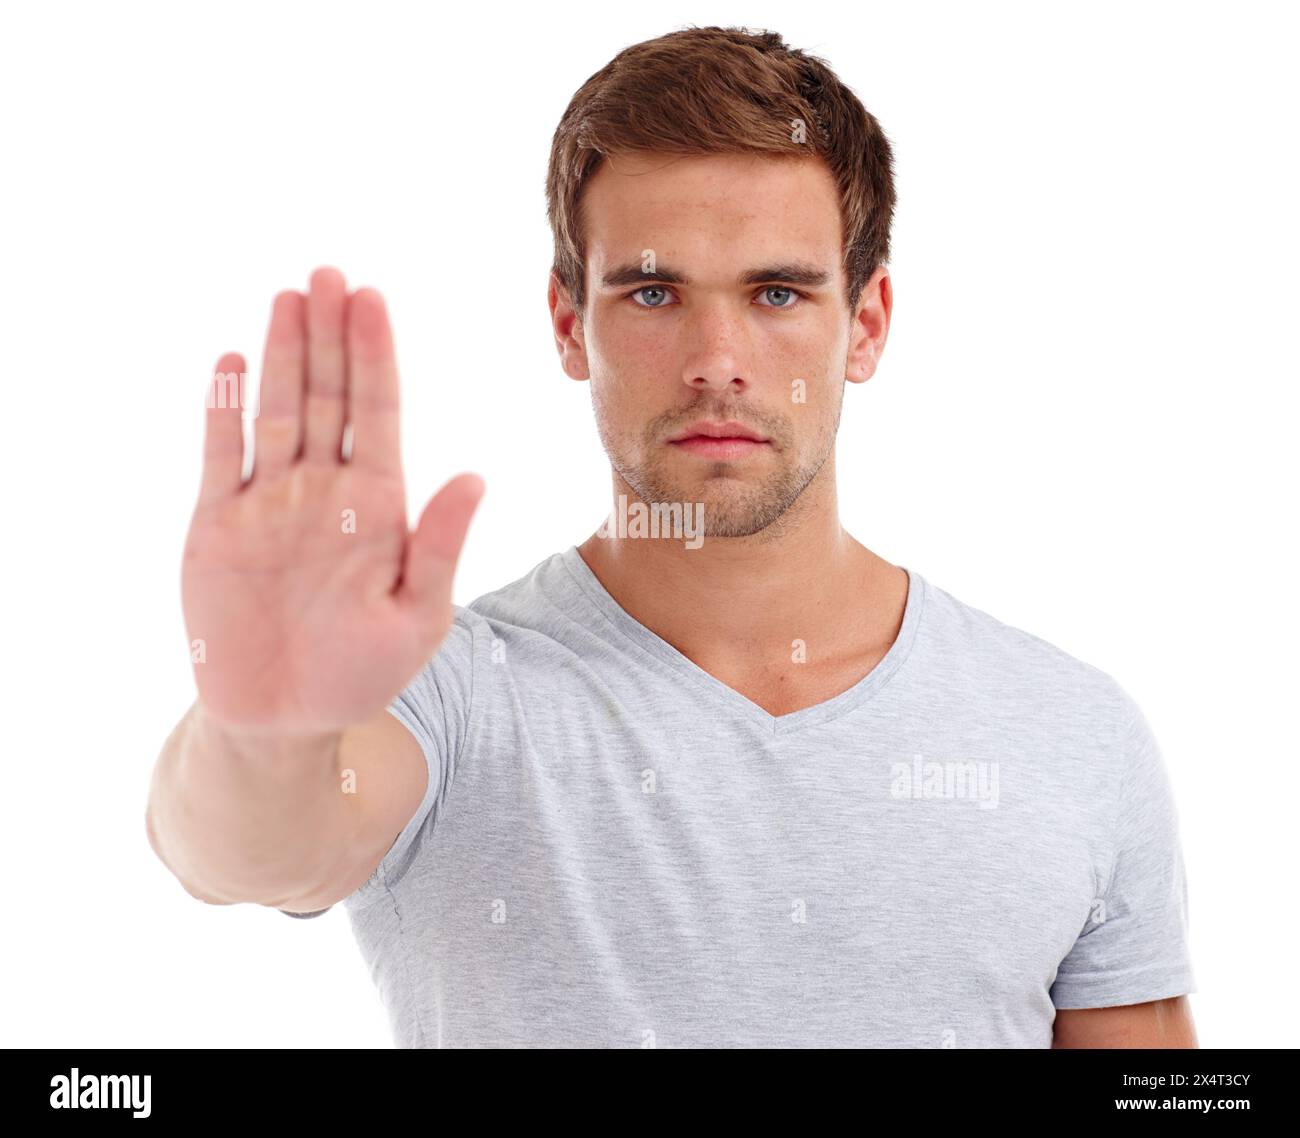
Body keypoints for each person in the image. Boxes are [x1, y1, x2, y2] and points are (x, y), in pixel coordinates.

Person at [145, 25, 1197, 1048]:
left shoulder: (1073, 731)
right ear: (570, 326)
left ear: (866, 324)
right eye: (653, 291)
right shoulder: (453, 692)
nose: (716, 359)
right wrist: (263, 730)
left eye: (776, 291)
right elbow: (251, 848)